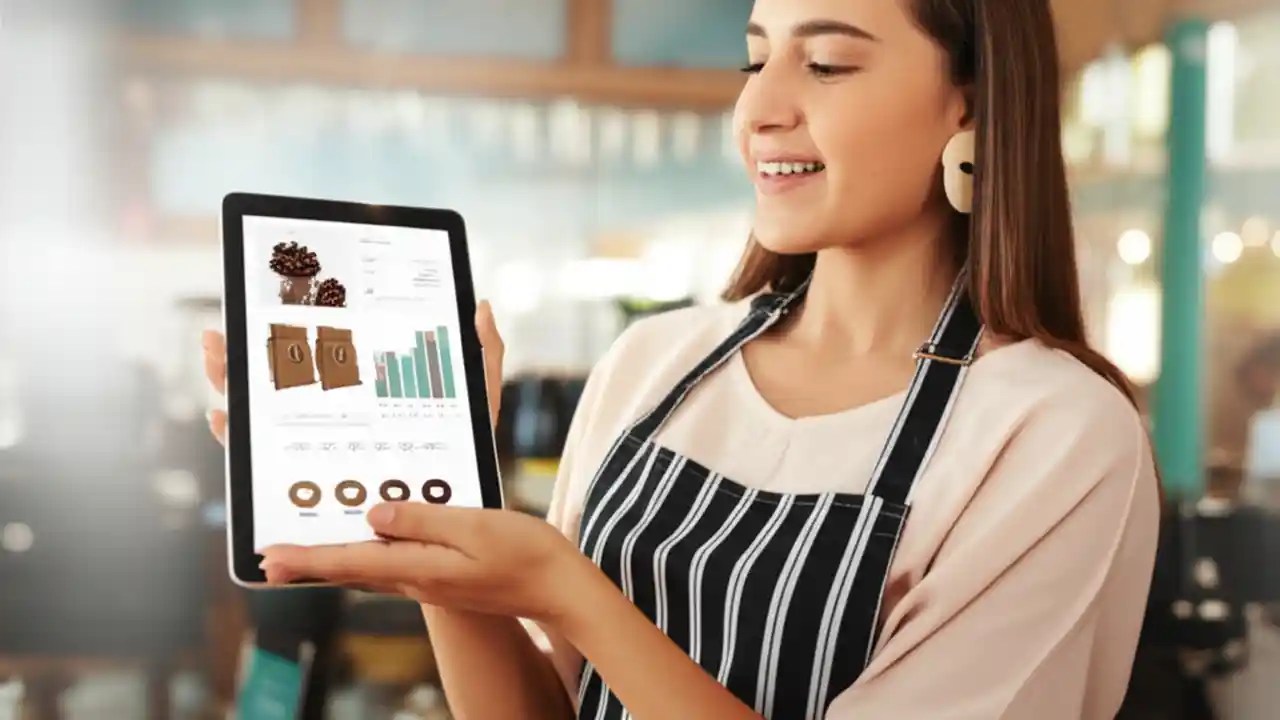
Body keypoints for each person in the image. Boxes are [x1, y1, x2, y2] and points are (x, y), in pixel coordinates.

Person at [203, 0, 1160, 717]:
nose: (761, 109)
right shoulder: (656, 360)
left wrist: (569, 593)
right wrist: (441, 552)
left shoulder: (1055, 432)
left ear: (972, 102)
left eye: (826, 64)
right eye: (755, 59)